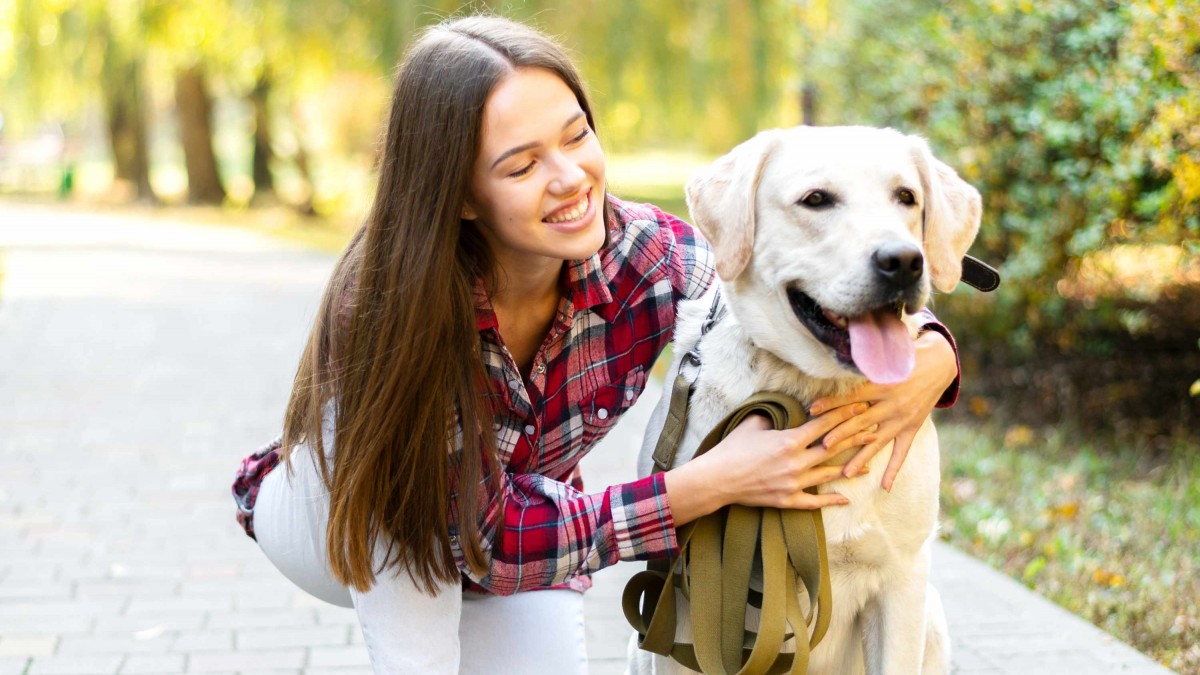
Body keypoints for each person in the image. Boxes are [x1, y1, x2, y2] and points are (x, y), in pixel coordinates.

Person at [230, 14, 961, 674]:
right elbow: (482, 534)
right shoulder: (389, 300)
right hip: (353, 517)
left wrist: (931, 351)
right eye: (521, 166)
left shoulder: (640, 252)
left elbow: (754, 298)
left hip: (527, 523)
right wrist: (705, 485)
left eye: (576, 134)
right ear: (456, 194)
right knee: (415, 541)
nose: (569, 178)